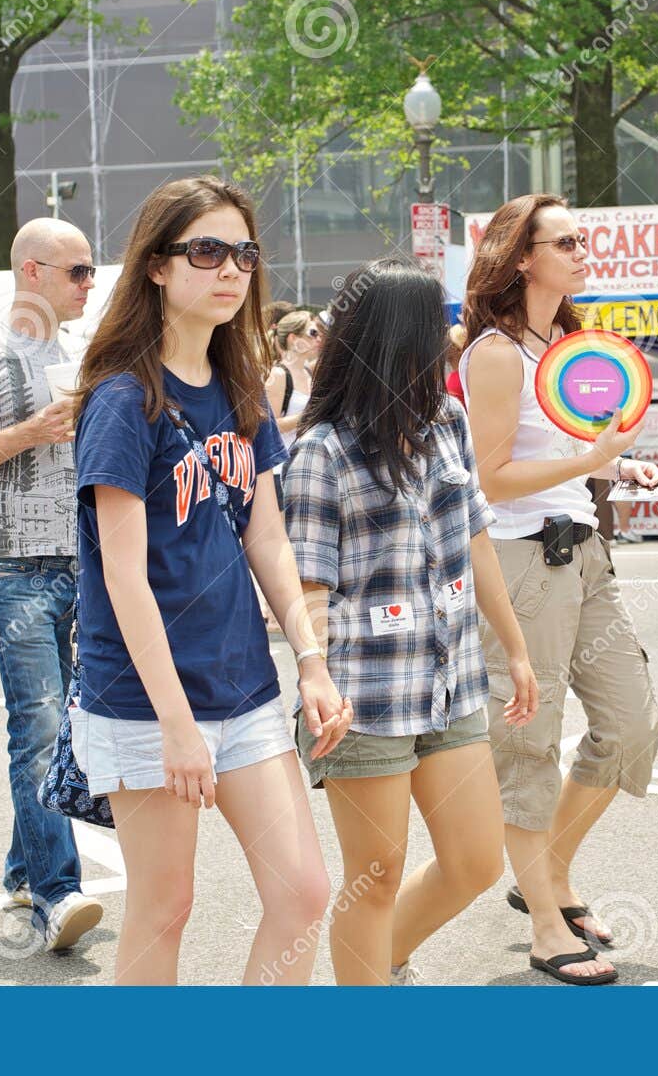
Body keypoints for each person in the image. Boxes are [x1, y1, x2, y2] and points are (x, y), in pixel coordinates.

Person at [70, 175, 347, 986]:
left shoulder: (242, 386)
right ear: (157, 266)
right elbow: (122, 577)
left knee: (302, 893)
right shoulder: (124, 399)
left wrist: (311, 657)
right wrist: (176, 724)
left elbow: (267, 534)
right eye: (207, 250)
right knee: (163, 908)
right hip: (149, 698)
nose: (231, 269)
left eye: (244, 253)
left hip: (245, 686)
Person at [284, 258, 539, 985]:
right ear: (405, 339)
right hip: (362, 696)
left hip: (451, 681)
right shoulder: (320, 451)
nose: (452, 338)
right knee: (376, 873)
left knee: (475, 860)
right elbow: (309, 589)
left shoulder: (444, 419)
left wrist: (514, 648)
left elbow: (475, 535)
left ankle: (378, 963)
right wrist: (316, 676)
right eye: (439, 326)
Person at [460, 193, 658, 986]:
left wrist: (616, 462)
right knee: (528, 745)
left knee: (632, 721)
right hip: (521, 560)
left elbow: (575, 446)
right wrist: (589, 463)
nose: (584, 252)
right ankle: (548, 922)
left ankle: (543, 873)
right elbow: (492, 476)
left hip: (584, 550)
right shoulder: (498, 351)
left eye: (584, 239)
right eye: (567, 241)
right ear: (521, 256)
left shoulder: (568, 342)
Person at [0, 218, 102, 950]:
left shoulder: (86, 355)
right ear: (32, 272)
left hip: (81, 559)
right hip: (14, 564)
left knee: (66, 729)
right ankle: (57, 889)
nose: (89, 283)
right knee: (41, 725)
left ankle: (24, 868)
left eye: (89, 271)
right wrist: (32, 430)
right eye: (77, 270)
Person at [264, 309, 317, 451]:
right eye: (313, 333)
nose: (318, 339)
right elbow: (269, 425)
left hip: (302, 459)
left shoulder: (307, 373)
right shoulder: (279, 374)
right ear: (293, 338)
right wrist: (309, 415)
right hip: (281, 466)